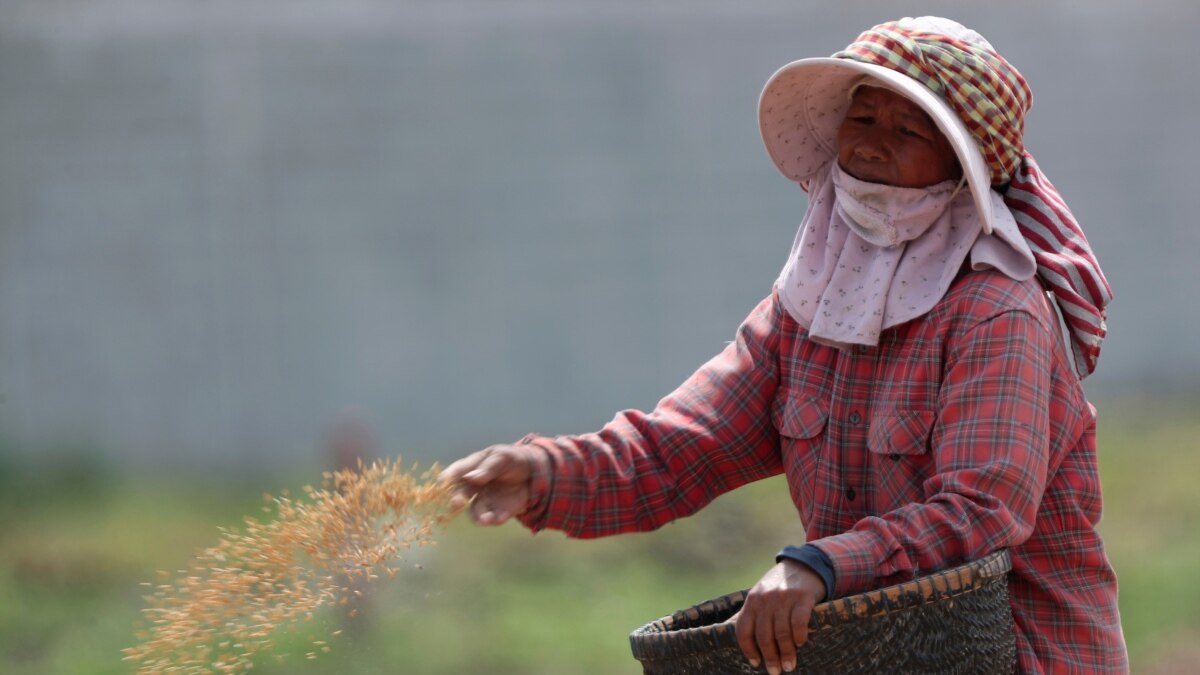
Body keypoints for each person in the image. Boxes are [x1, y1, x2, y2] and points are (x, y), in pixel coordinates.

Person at [441, 16, 1128, 674]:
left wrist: (822, 565)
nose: (872, 144)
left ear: (961, 168)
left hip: (1028, 655)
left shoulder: (995, 310)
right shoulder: (808, 307)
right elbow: (678, 450)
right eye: (863, 118)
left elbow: (980, 513)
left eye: (908, 129)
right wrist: (543, 472)